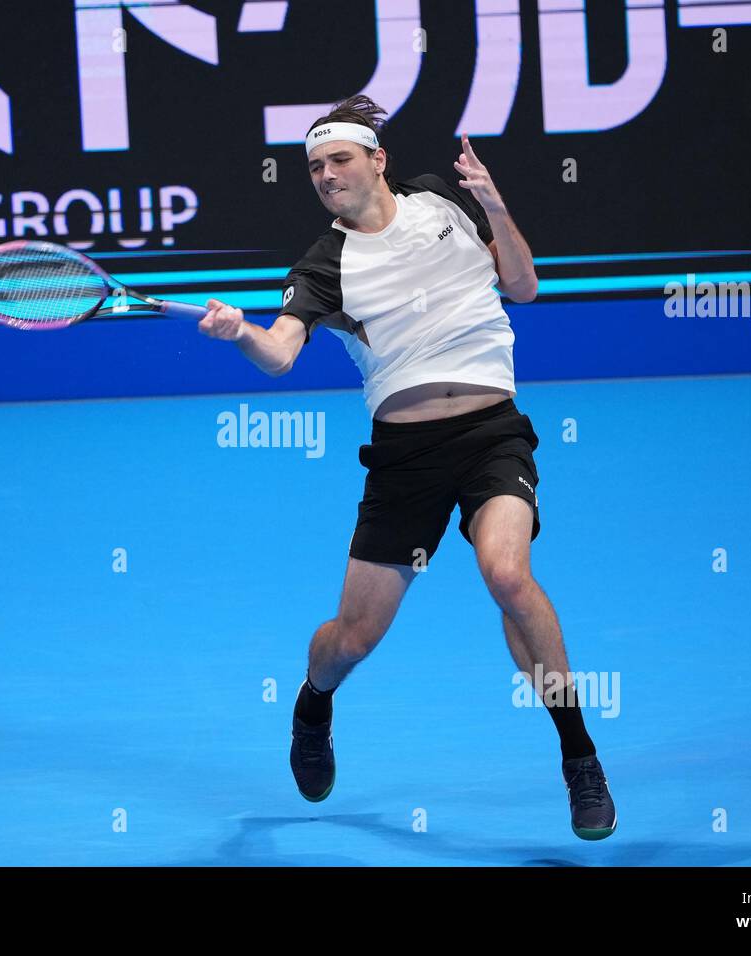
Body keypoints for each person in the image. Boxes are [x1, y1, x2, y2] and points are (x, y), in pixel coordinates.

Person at [196, 95, 616, 840]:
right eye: (315, 166)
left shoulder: (445, 198)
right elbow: (281, 355)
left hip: (493, 433)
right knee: (352, 641)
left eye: (339, 160)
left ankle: (579, 756)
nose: (326, 175)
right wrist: (239, 334)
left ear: (377, 159)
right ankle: (312, 705)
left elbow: (522, 286)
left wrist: (495, 203)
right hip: (405, 459)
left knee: (508, 575)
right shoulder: (325, 263)